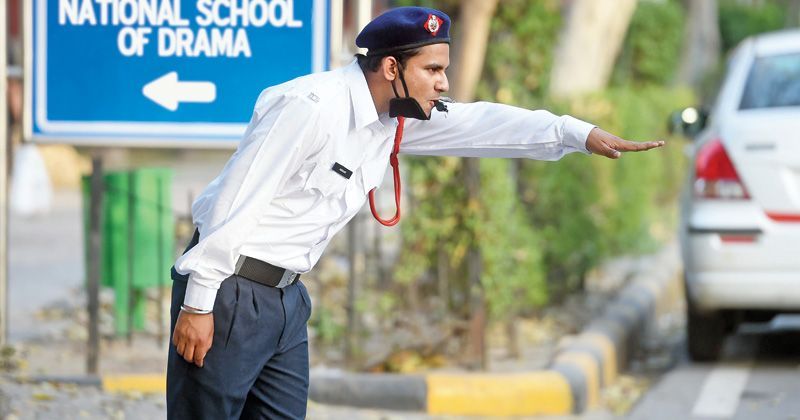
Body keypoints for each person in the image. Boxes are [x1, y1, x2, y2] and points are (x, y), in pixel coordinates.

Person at [167, 6, 664, 419]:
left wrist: (577, 134)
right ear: (390, 68)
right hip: (230, 293)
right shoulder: (311, 107)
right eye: (433, 70)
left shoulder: (393, 116)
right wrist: (198, 303)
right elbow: (236, 201)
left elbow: (483, 124)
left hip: (286, 302)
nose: (443, 83)